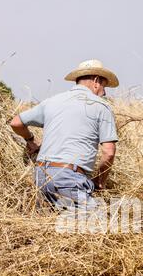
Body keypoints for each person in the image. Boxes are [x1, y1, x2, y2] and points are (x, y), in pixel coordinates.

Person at [11, 59, 119, 218]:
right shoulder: (101, 106)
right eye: (104, 86)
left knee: (51, 227)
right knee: (100, 225)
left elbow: (16, 123)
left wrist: (30, 140)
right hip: (69, 178)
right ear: (96, 81)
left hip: (40, 177)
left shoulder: (52, 102)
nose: (104, 92)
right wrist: (100, 181)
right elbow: (109, 152)